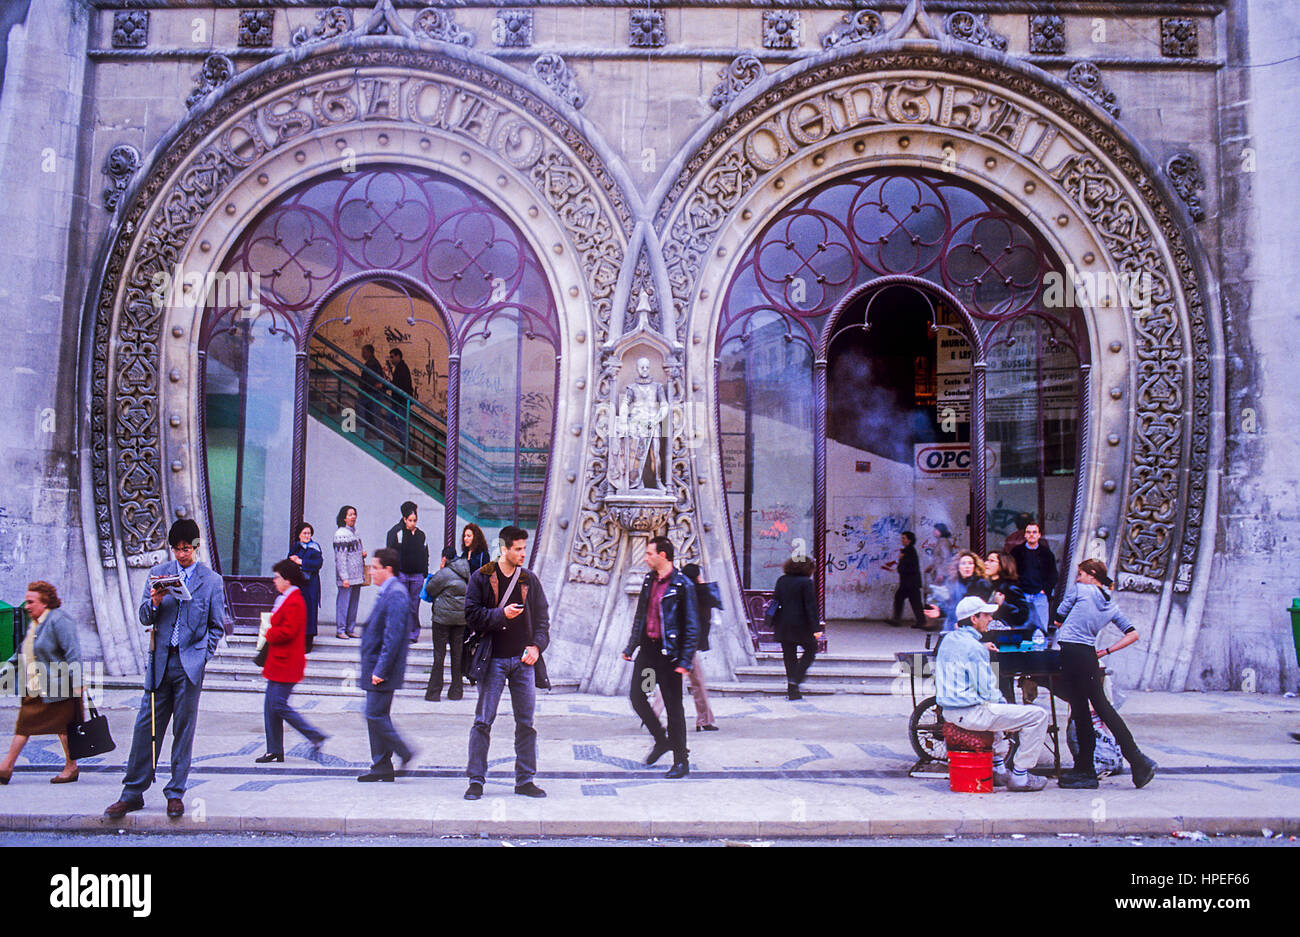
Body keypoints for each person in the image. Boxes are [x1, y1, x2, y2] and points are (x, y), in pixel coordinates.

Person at [106, 518, 228, 819]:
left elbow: (217, 626)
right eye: (176, 549)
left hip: (189, 664)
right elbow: (144, 617)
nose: (181, 554)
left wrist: (202, 655)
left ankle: (175, 792)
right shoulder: (158, 573)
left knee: (183, 730)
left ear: (196, 547)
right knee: (145, 729)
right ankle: (132, 792)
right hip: (160, 663)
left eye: (186, 549)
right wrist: (155, 601)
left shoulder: (211, 581)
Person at [1053, 558, 1158, 790]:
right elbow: (1133, 634)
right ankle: (1096, 766)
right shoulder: (1110, 602)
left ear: (1091, 575)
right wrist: (1107, 651)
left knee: (1082, 711)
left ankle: (1119, 764)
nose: (1077, 578)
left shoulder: (1080, 590)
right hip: (1089, 654)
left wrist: (1068, 620)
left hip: (1071, 652)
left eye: (1080, 574)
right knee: (1099, 708)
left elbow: (1057, 618)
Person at [464, 525, 551, 800]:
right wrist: (501, 615)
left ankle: (525, 780)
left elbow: (542, 620)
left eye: (525, 548)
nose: (523, 553)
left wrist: (537, 647)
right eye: (518, 549)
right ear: (504, 549)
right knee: (483, 721)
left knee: (526, 722)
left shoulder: (529, 580)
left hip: (524, 661)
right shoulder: (482, 576)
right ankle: (476, 780)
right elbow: (470, 615)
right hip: (493, 661)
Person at [934, 595, 1049, 791]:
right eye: (986, 615)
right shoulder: (974, 648)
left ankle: (999, 769)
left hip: (949, 712)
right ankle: (1021, 776)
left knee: (994, 710)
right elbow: (987, 690)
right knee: (1038, 716)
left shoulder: (948, 640)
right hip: (971, 713)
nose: (990, 619)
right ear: (973, 618)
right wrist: (1007, 710)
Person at [621, 536, 699, 777]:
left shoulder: (682, 585)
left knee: (675, 708)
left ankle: (680, 761)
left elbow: (692, 626)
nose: (645, 558)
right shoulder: (649, 581)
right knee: (638, 696)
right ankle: (661, 739)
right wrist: (631, 646)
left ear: (663, 555)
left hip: (669, 657)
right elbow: (641, 616)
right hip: (648, 654)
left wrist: (685, 661)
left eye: (649, 554)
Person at [0, 582, 82, 784]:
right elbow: (22, 653)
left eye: (31, 602)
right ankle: (6, 767)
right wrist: (4, 672)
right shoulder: (36, 623)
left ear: (45, 603)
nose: (26, 606)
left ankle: (71, 767)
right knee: (24, 726)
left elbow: (73, 653)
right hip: (35, 684)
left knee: (63, 729)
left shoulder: (59, 620)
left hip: (59, 685)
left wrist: (78, 685)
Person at [256, 560, 327, 763]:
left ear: (287, 580)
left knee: (278, 704)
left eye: (277, 577)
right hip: (278, 661)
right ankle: (274, 749)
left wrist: (269, 632)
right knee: (271, 705)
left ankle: (313, 734)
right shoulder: (285, 598)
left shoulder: (295, 600)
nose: (274, 581)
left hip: (288, 662)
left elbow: (288, 631)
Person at [357, 548, 416, 782]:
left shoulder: (396, 593)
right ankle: (381, 765)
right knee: (376, 715)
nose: (371, 572)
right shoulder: (387, 591)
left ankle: (404, 751)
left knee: (374, 714)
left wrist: (381, 669)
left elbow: (393, 635)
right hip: (375, 665)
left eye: (374, 567)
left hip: (382, 668)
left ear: (387, 569)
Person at [652, 562, 718, 732]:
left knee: (689, 681)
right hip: (689, 646)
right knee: (695, 683)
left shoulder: (679, 592)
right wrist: (701, 583)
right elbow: (712, 601)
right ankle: (704, 720)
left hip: (682, 644)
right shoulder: (699, 594)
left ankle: (704, 719)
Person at [421, 546, 470, 702]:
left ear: (444, 558)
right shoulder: (466, 571)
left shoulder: (444, 573)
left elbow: (430, 589)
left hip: (442, 620)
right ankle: (456, 691)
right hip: (460, 620)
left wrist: (441, 569)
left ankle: (434, 692)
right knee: (457, 655)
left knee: (439, 656)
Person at [772, 554, 821, 700]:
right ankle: (797, 678)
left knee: (789, 656)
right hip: (801, 625)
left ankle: (792, 689)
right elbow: (810, 607)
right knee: (811, 649)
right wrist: (816, 627)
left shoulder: (781, 580)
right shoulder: (806, 583)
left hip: (783, 623)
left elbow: (776, 601)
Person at [985, 551, 1032, 704]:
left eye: (992, 561)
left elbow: (1022, 614)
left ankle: (1011, 720)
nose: (987, 563)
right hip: (989, 638)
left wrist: (1002, 605)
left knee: (1004, 683)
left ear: (1002, 565)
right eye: (987, 560)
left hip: (1005, 641)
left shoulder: (1010, 587)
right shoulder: (985, 585)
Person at [386, 501, 428, 644]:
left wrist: (424, 572)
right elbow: (392, 552)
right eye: (410, 520)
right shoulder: (398, 533)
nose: (412, 523)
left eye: (415, 520)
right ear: (404, 519)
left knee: (414, 605)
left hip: (416, 574)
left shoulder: (421, 535)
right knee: (401, 604)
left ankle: (413, 633)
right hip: (402, 573)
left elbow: (424, 554)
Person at [923, 550, 992, 632]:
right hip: (952, 623)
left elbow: (982, 610)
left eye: (970, 563)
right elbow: (950, 606)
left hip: (974, 626)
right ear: (958, 567)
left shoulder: (981, 584)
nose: (967, 566)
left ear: (975, 566)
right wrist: (940, 612)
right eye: (963, 563)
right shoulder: (952, 583)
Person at [1011, 521, 1058, 636]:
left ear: (1039, 535)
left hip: (1040, 596)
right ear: (1025, 535)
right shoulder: (1016, 552)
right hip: (1021, 595)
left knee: (1041, 629)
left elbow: (1053, 575)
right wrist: (1016, 591)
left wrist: (1045, 590)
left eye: (1034, 532)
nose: (1031, 535)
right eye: (1028, 532)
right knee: (1019, 627)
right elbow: (1010, 573)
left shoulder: (1046, 553)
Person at [287, 522, 323, 653]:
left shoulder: (315, 547)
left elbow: (318, 563)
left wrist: (301, 562)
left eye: (309, 533)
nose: (307, 536)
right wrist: (293, 561)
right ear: (299, 535)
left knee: (310, 611)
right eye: (304, 533)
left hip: (311, 583)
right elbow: (288, 561)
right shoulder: (296, 547)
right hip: (299, 583)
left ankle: (308, 642)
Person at [332, 505, 366, 639]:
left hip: (357, 575)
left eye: (354, 514)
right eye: (350, 514)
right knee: (343, 603)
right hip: (346, 577)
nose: (353, 517)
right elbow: (340, 558)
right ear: (344, 518)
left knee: (353, 603)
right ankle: (341, 630)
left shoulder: (356, 533)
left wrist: (362, 554)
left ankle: (350, 628)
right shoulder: (340, 534)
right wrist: (344, 577)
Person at [882, 531, 925, 629]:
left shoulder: (908, 551)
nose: (902, 540)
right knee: (908, 600)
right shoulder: (908, 550)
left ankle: (899, 620)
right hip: (910, 582)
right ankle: (918, 621)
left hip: (909, 582)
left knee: (909, 600)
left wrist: (901, 561)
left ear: (909, 540)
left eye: (904, 538)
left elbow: (906, 566)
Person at [386, 347, 414, 447]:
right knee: (392, 418)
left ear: (398, 356)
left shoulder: (401, 368)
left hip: (401, 400)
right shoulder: (401, 367)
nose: (391, 359)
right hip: (399, 400)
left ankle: (406, 443)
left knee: (401, 421)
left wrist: (386, 385)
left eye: (392, 357)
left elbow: (398, 384)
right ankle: (404, 440)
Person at [358, 344, 385, 437]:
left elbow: (369, 379)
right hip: (374, 392)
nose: (362, 354)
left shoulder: (371, 364)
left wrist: (363, 387)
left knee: (360, 404)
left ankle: (362, 427)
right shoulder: (374, 362)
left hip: (372, 392)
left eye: (364, 352)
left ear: (369, 352)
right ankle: (378, 434)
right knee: (375, 412)